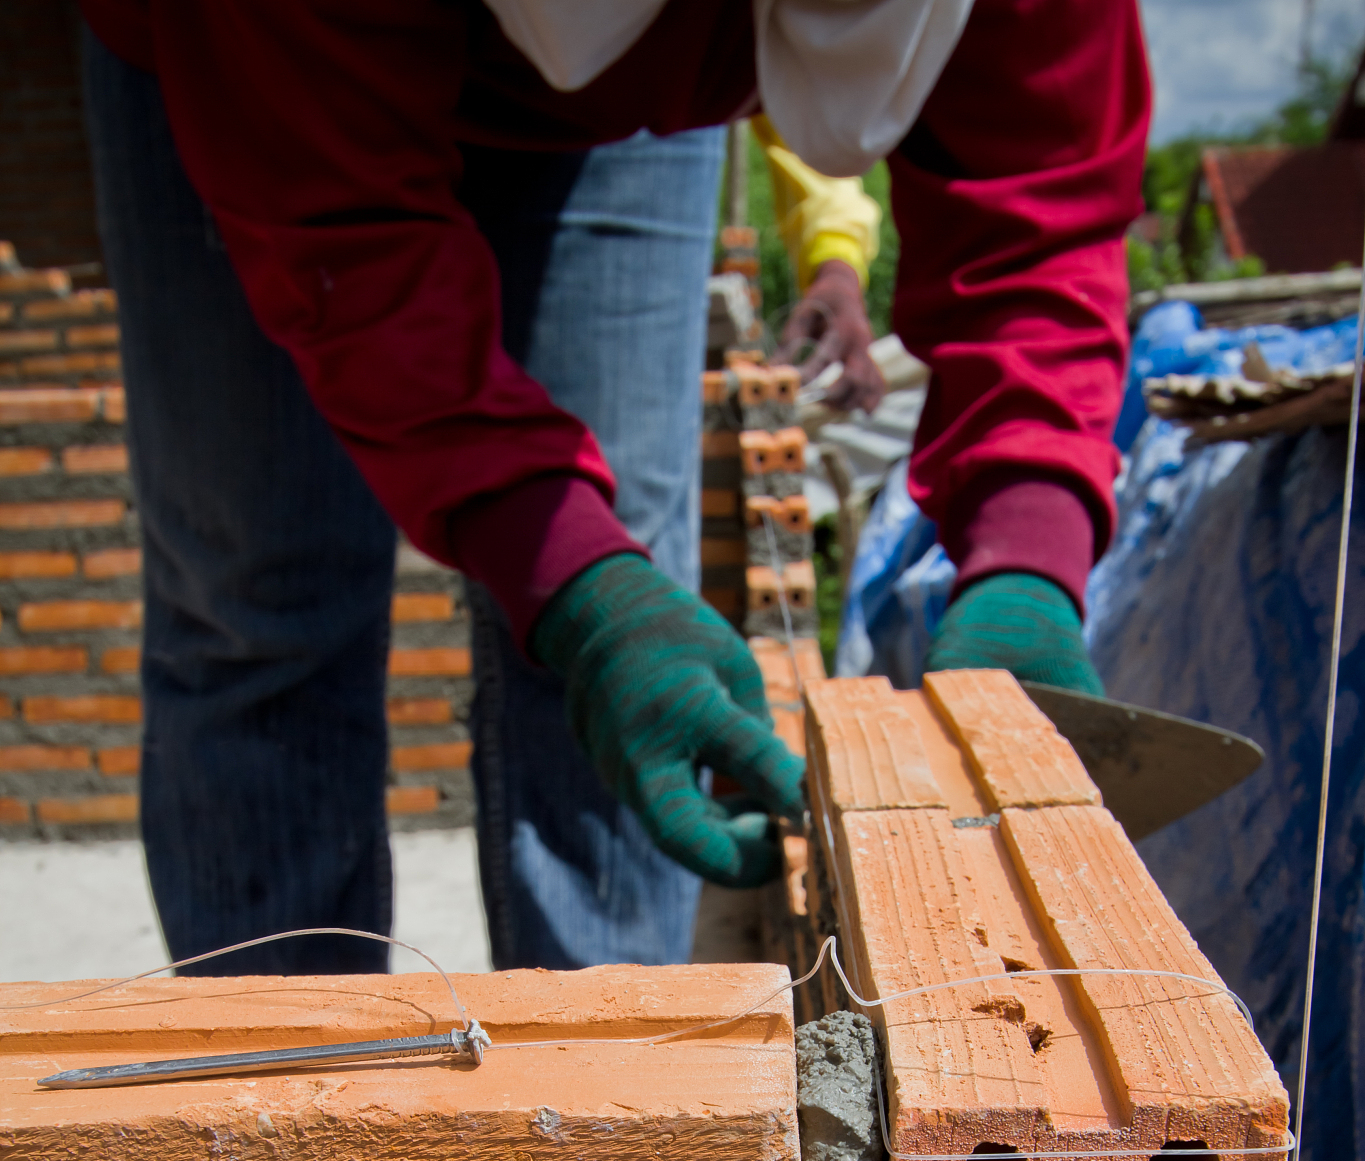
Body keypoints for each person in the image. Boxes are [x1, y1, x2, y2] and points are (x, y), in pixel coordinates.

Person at [80, 0, 1146, 975]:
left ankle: (612, 1136)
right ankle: (278, 1134)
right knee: (263, 607)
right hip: (262, 58)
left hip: (632, 112)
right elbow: (347, 253)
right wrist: (564, 576)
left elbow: (1039, 199)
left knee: (639, 630)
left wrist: (1028, 548)